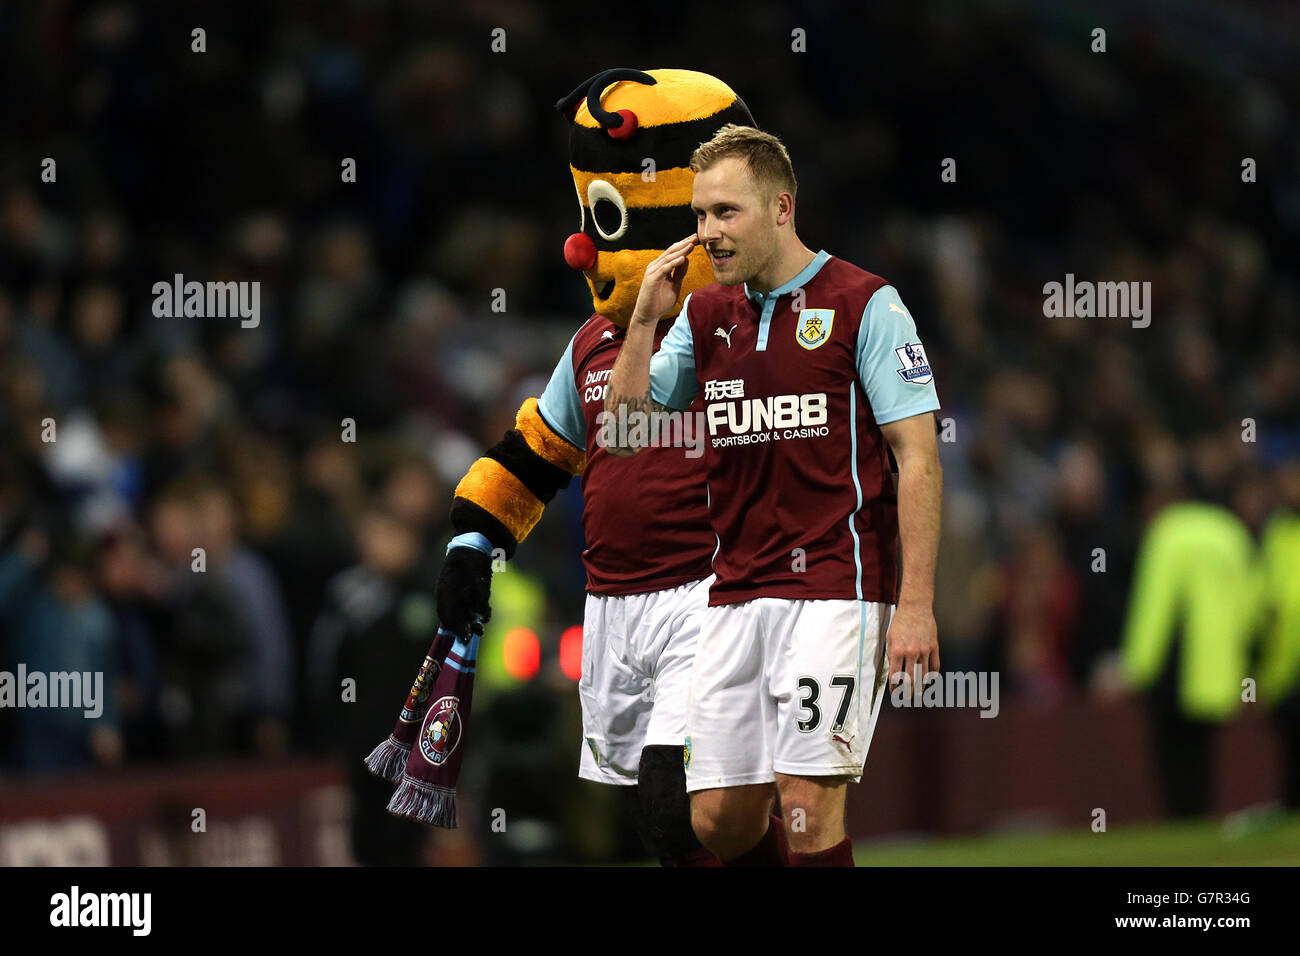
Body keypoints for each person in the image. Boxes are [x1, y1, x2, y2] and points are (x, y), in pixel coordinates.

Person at [431, 70, 753, 866]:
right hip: (615, 600)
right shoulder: (590, 347)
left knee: (676, 799)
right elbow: (535, 453)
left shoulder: (752, 331)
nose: (589, 247)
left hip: (714, 594)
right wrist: (474, 545)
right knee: (665, 819)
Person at [606, 124, 944, 866]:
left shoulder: (864, 306)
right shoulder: (702, 316)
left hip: (835, 589)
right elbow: (626, 432)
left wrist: (915, 604)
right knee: (722, 822)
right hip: (735, 595)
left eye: (726, 213)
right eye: (699, 216)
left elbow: (917, 456)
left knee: (805, 803)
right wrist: (641, 319)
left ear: (781, 207)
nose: (707, 235)